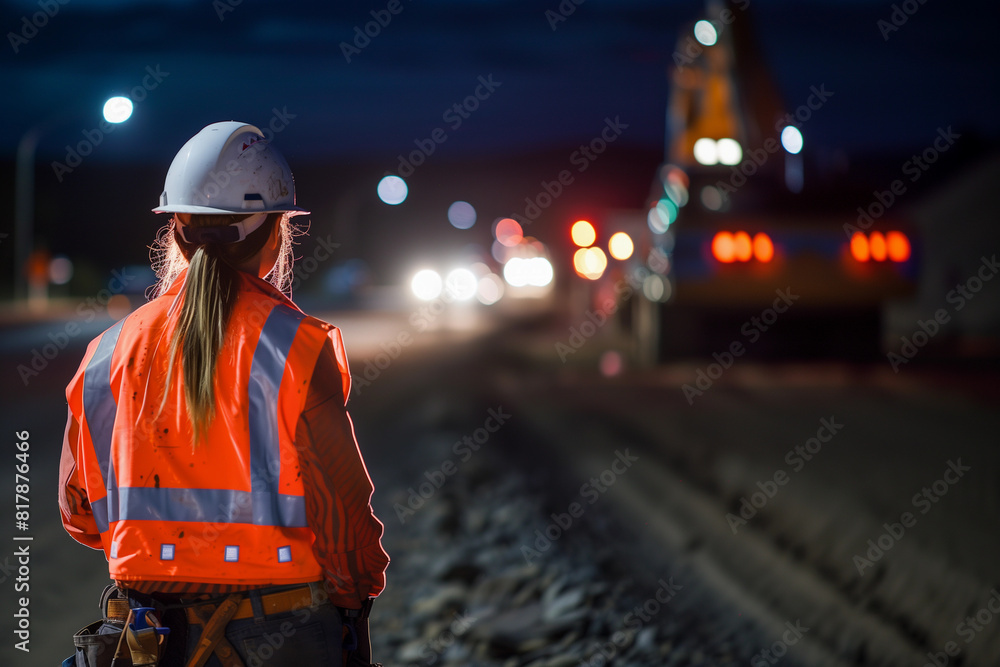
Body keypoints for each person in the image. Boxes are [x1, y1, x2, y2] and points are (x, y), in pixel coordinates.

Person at [58, 121, 389, 666]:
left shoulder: (106, 352)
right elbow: (342, 515)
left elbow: (81, 515)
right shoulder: (298, 347)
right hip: (281, 634)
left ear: (176, 231)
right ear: (276, 232)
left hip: (144, 639)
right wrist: (353, 599)